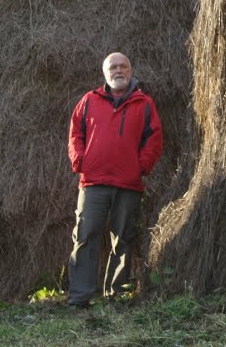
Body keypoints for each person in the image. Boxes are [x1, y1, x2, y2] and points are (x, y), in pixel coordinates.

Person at [65, 52, 163, 308]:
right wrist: (80, 161)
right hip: (93, 182)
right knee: (86, 236)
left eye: (123, 66)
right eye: (113, 67)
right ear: (105, 73)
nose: (118, 71)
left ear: (130, 71)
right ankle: (79, 297)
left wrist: (140, 167)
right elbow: (76, 133)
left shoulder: (145, 104)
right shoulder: (89, 101)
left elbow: (154, 139)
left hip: (128, 184)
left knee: (123, 236)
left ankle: (116, 295)